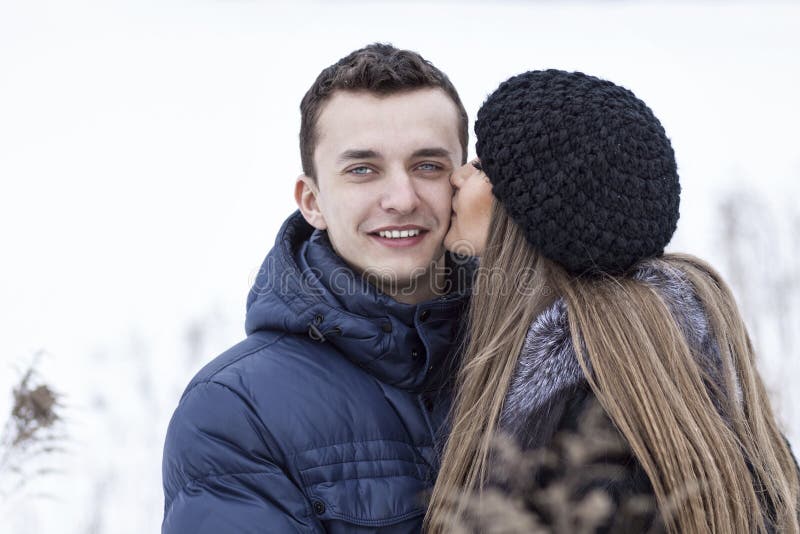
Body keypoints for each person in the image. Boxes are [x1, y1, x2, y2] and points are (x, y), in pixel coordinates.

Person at [426, 70, 800, 533]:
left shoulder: (594, 438)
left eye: (482, 167)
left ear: (527, 218)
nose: (458, 176)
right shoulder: (671, 379)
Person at [161, 43, 474, 533]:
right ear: (312, 201)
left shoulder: (538, 356)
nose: (401, 199)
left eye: (428, 166)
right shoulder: (235, 411)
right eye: (362, 170)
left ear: (467, 181)